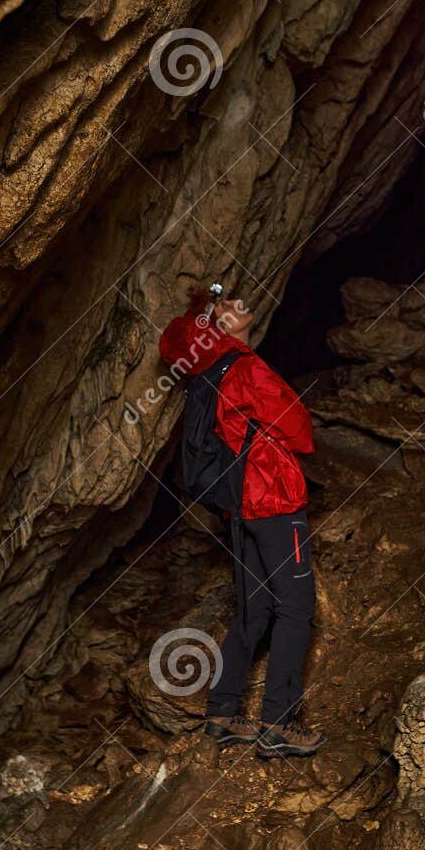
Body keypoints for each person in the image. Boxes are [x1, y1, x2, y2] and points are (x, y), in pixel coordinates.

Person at [158, 290, 325, 758]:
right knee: (296, 606)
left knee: (255, 609)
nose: (235, 301)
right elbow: (300, 431)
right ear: (221, 328)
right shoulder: (245, 369)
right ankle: (278, 723)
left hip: (241, 508)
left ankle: (222, 714)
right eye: (223, 306)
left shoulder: (208, 374)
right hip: (273, 500)